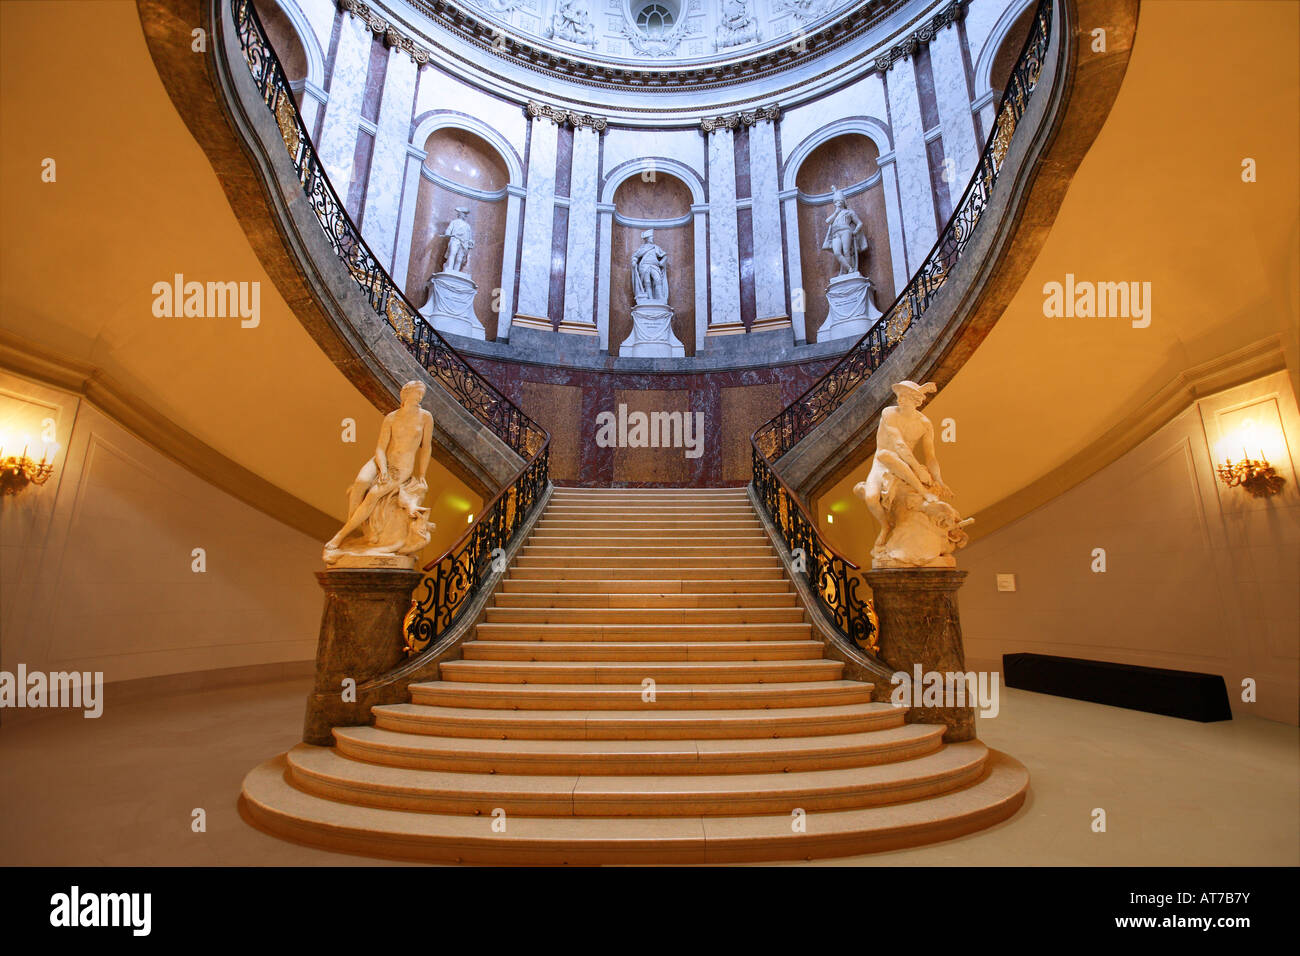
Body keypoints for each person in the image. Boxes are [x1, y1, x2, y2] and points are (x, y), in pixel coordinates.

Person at [323, 380, 434, 563]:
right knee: (360, 483)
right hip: (381, 461)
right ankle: (362, 528)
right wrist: (382, 469)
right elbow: (380, 449)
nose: (420, 397)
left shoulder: (425, 417)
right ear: (405, 394)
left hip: (401, 468)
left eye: (422, 394)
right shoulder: (391, 417)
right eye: (417, 393)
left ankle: (340, 537)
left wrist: (421, 474)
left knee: (373, 495)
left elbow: (427, 448)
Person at [822, 186, 868, 276]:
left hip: (845, 231)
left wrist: (855, 231)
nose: (837, 203)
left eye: (838, 201)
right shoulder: (835, 214)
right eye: (835, 202)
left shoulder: (849, 212)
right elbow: (827, 221)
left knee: (846, 251)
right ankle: (849, 268)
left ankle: (849, 273)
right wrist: (836, 212)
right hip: (835, 234)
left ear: (843, 202)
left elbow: (859, 223)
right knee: (837, 252)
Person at [442, 207, 474, 274]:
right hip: (455, 239)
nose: (466, 215)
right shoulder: (454, 222)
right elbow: (449, 230)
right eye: (464, 213)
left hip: (464, 243)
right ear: (460, 214)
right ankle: (449, 268)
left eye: (466, 214)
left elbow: (469, 236)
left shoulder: (467, 226)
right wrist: (447, 233)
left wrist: (470, 242)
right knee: (452, 254)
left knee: (459, 259)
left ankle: (456, 272)